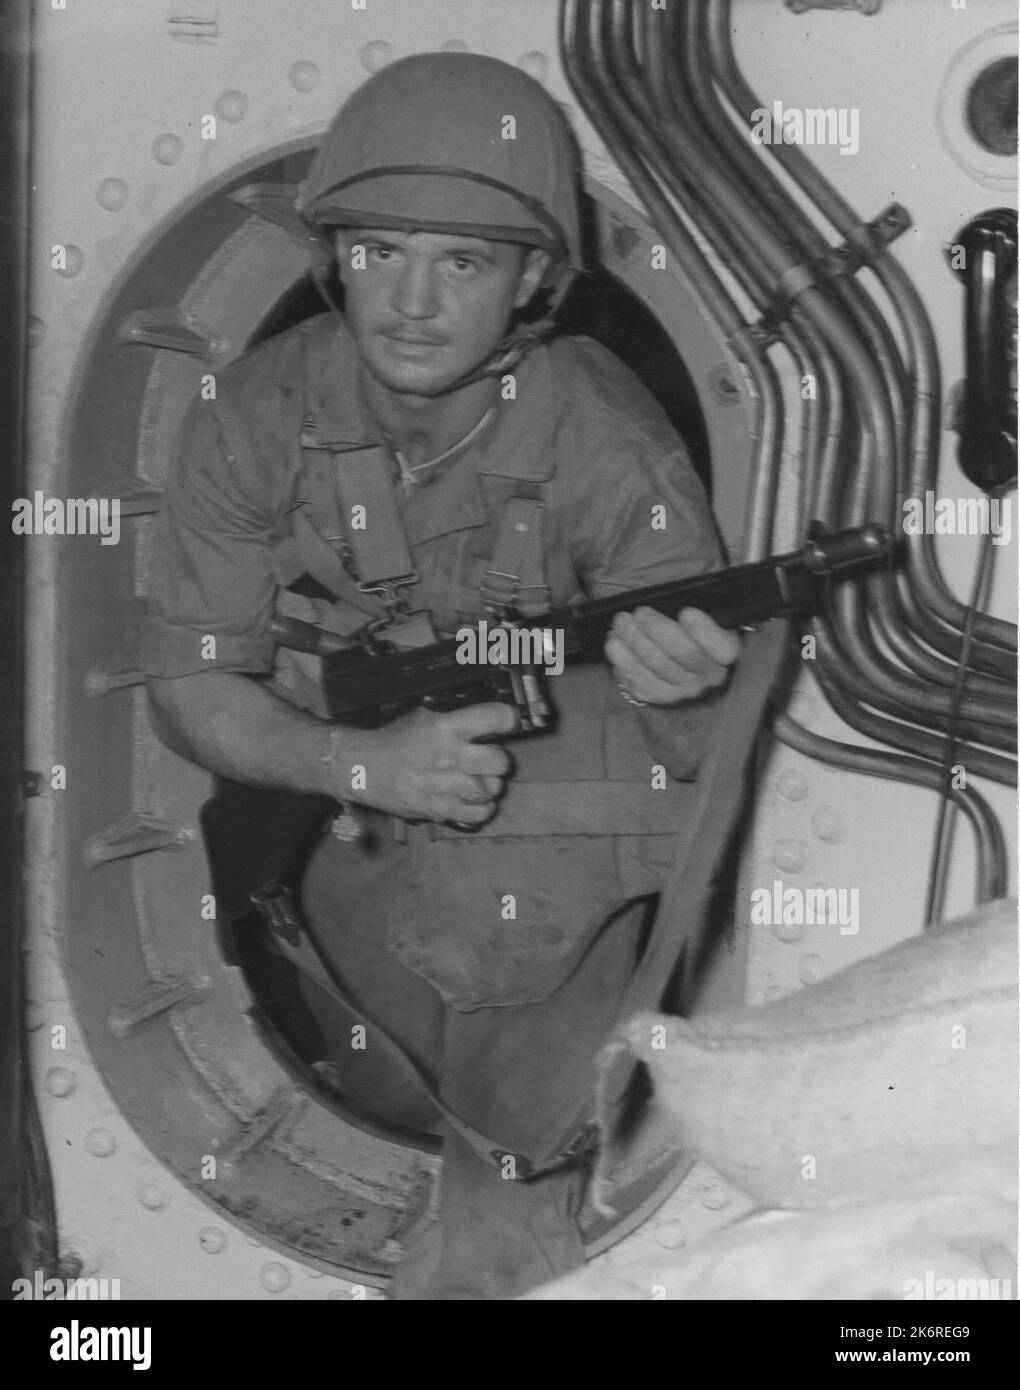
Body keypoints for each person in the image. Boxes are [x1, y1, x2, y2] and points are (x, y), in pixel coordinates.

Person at [143, 51, 741, 1300]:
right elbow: (193, 684)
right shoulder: (255, 415)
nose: (411, 302)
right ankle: (471, 1117)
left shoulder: (600, 435)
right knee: (334, 934)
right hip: (350, 770)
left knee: (508, 895)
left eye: (462, 261)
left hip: (548, 812)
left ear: (532, 280)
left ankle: (509, 1200)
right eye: (379, 253)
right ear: (335, 258)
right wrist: (363, 764)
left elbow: (717, 772)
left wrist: (684, 694)